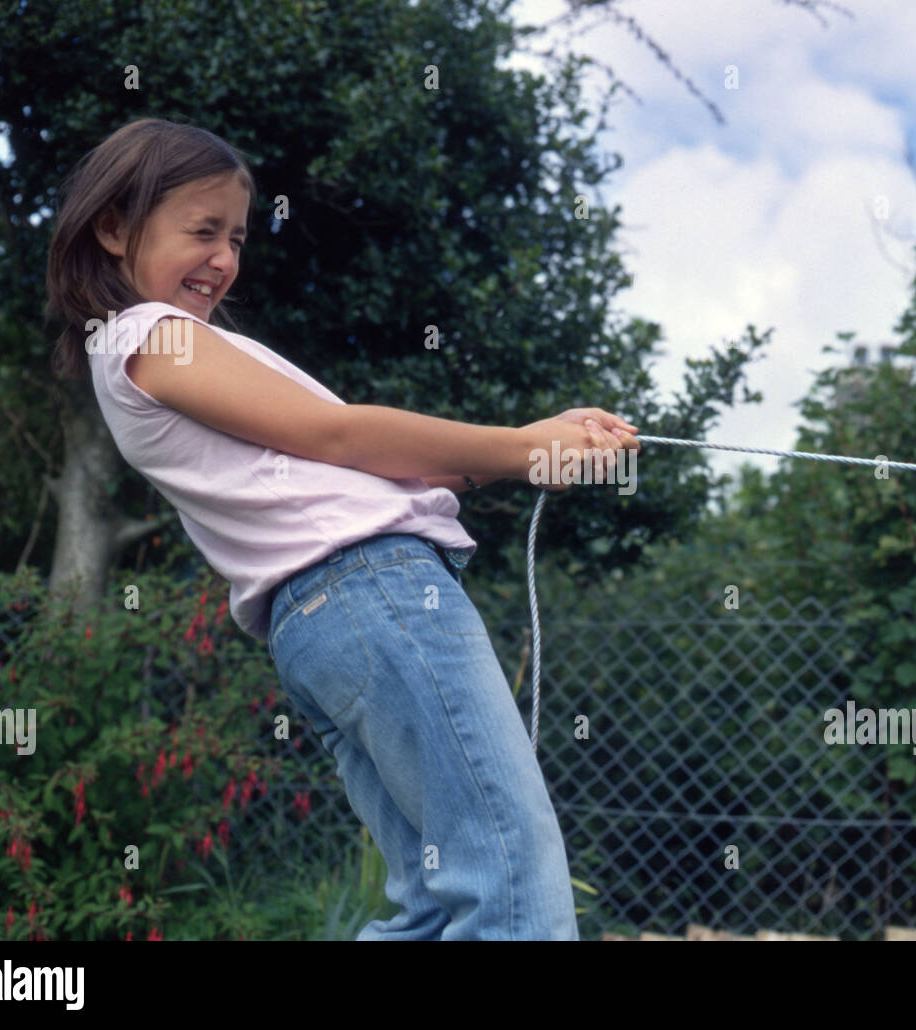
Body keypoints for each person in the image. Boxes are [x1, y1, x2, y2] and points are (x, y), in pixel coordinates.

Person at [44, 118, 640, 940]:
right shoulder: (152, 337)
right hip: (374, 594)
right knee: (510, 879)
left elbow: (371, 461)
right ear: (113, 228)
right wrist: (525, 449)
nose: (224, 258)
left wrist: (535, 439)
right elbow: (341, 434)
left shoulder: (177, 353)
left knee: (436, 900)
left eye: (238, 237)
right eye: (202, 230)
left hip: (333, 621)